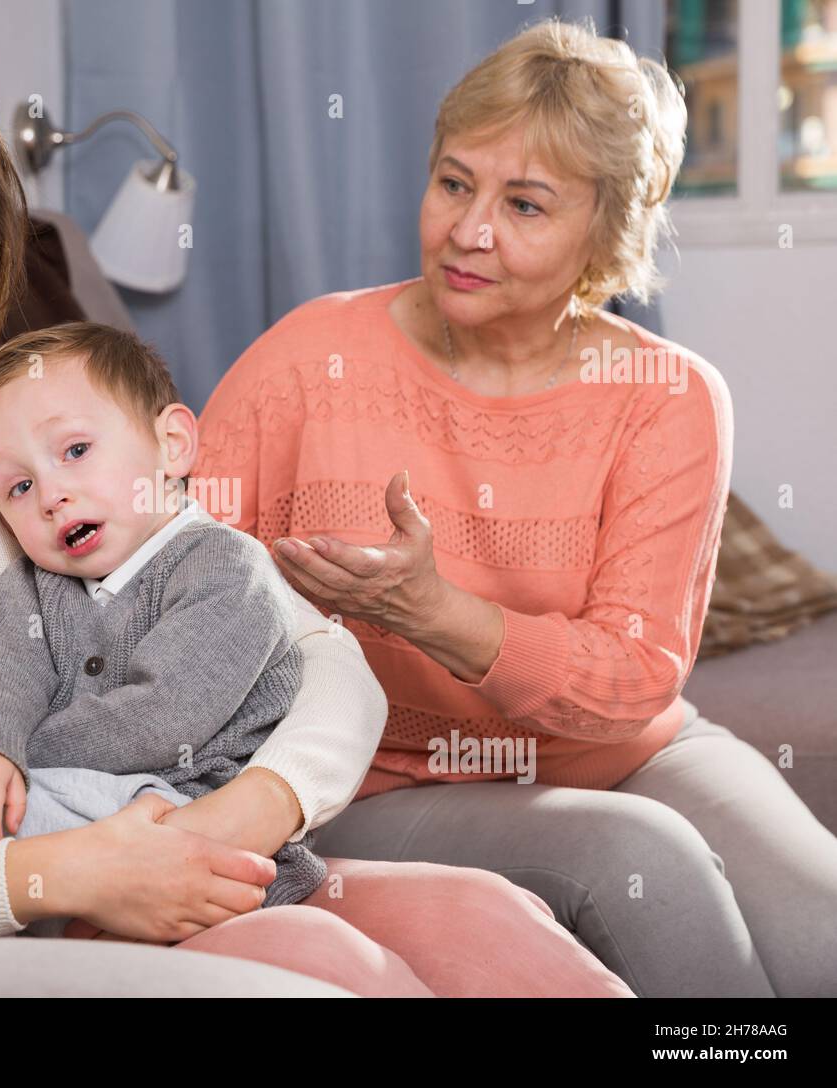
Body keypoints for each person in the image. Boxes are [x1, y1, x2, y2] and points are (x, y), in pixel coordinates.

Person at [0, 53, 631, 997]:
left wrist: (237, 815)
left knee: (498, 923)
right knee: (327, 966)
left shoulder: (46, 453)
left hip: (184, 850)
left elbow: (326, 662)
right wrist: (60, 870)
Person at [193, 16, 837, 997]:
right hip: (380, 774)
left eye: (525, 205)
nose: (469, 229)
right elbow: (170, 580)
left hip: (621, 750)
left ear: (605, 233)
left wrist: (436, 614)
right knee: (646, 866)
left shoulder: (668, 396)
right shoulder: (304, 358)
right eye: (454, 182)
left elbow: (631, 679)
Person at [0, 322, 327, 935]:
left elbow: (164, 717)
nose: (52, 496)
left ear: (171, 445)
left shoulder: (226, 568)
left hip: (191, 813)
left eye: (74, 452)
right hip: (86, 818)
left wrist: (13, 758)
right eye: (19, 486)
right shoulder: (31, 587)